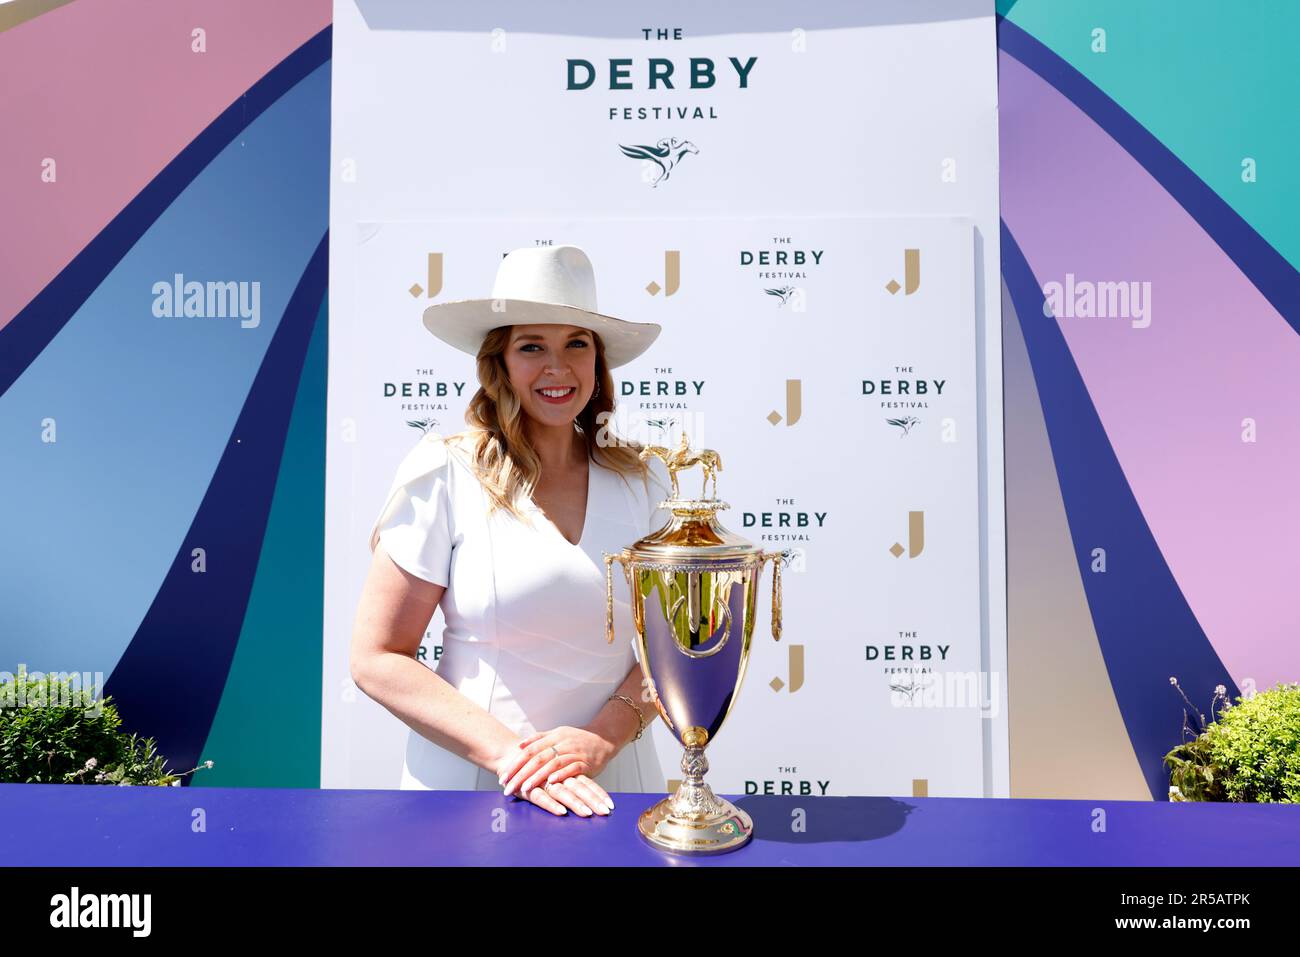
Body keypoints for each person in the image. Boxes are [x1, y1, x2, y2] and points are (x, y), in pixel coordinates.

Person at [350, 244, 671, 818]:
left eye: (577, 343)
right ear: (498, 363)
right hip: (472, 787)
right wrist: (512, 759)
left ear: (598, 362)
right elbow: (378, 656)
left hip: (614, 782)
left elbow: (676, 642)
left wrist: (601, 739)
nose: (557, 367)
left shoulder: (646, 480)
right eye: (532, 347)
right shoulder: (442, 472)